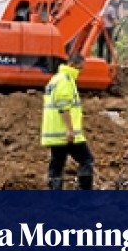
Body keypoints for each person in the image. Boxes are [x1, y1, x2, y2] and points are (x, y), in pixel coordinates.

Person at [40, 53, 94, 189]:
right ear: (72, 65)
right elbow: (64, 107)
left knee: (57, 164)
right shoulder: (65, 80)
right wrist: (70, 129)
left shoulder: (55, 79)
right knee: (87, 160)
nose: (80, 72)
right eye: (79, 68)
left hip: (55, 132)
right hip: (66, 133)